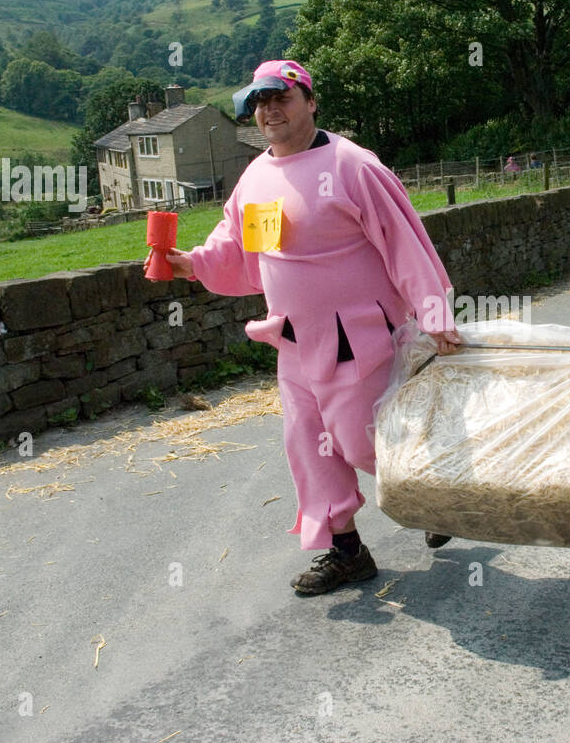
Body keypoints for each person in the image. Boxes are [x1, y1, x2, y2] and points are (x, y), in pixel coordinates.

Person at [146, 59, 461, 595]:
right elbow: (237, 244)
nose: (270, 111)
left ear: (310, 102)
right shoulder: (256, 175)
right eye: (259, 104)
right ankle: (346, 552)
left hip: (355, 337)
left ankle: (428, 496)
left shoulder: (352, 165)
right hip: (292, 338)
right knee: (308, 445)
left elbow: (404, 241)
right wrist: (192, 263)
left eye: (281, 99)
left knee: (363, 444)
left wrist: (434, 316)